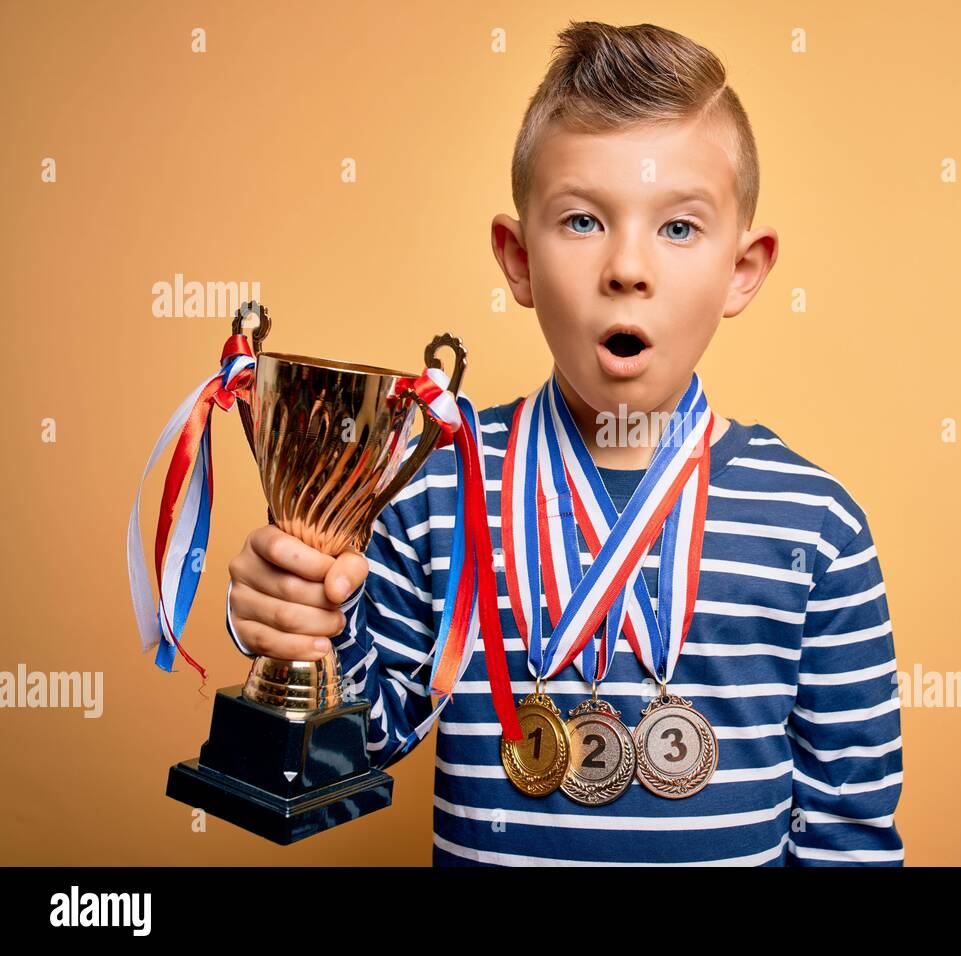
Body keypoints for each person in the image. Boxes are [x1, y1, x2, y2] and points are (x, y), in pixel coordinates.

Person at [226, 20, 903, 866]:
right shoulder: (435, 485)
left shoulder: (817, 527)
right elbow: (364, 740)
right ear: (517, 259)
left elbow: (850, 834)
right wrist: (301, 623)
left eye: (680, 228)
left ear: (744, 268)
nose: (628, 267)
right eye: (582, 221)